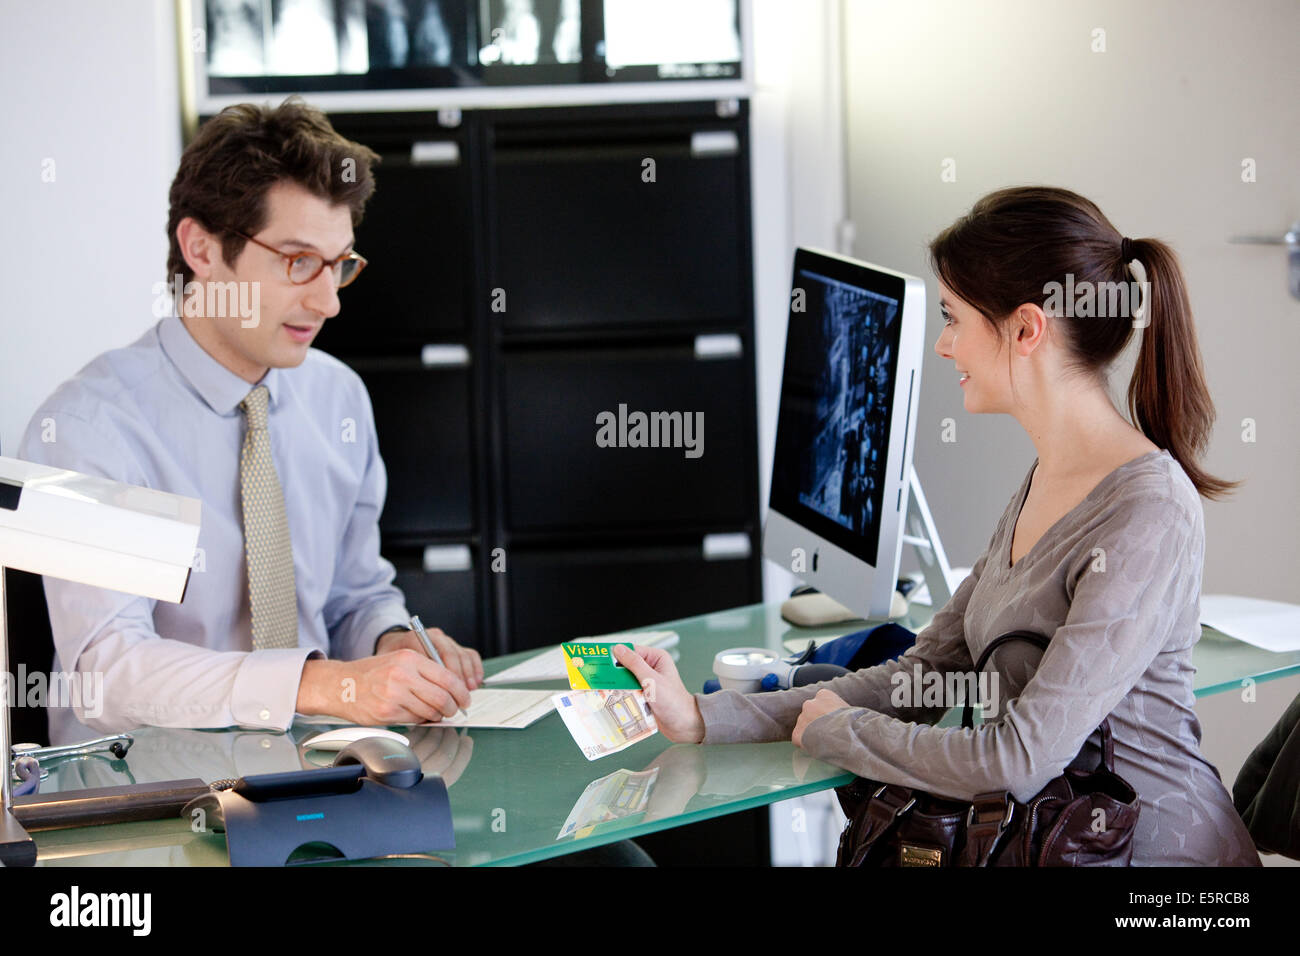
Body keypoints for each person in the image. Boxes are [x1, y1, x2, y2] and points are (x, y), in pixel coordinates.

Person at [615, 186, 1262, 866]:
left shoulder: (1146, 512)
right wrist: (704, 717)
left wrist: (844, 733)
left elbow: (1020, 758)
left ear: (1026, 329)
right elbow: (927, 675)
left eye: (954, 319)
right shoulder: (1048, 477)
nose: (945, 346)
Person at [19, 97, 482, 744]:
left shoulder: (337, 398)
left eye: (339, 264)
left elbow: (353, 594)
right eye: (297, 262)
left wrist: (394, 643)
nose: (327, 303)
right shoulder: (88, 428)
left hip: (323, 768)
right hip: (153, 802)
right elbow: (111, 674)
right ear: (202, 249)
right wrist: (318, 685)